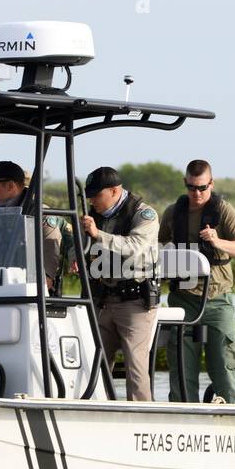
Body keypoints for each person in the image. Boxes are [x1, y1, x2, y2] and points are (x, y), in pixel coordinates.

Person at [158, 159, 235, 403]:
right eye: (191, 188)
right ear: (185, 184)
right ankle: (183, 418)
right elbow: (155, 247)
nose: (196, 193)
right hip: (183, 302)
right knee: (182, 369)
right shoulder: (172, 212)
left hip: (216, 303)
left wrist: (217, 241)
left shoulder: (224, 211)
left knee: (223, 364)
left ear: (211, 183)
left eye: (202, 188)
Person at [80, 166, 160, 402]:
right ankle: (96, 411)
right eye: (89, 195)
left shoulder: (145, 215)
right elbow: (84, 248)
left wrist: (97, 235)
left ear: (115, 191)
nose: (91, 200)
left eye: (96, 194)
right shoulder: (95, 216)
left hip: (135, 302)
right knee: (95, 361)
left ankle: (143, 420)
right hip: (104, 299)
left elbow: (134, 246)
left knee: (136, 366)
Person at [0, 160, 62, 291]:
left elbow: (48, 269)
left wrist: (41, 282)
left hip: (29, 297)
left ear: (10, 186)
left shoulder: (40, 214)